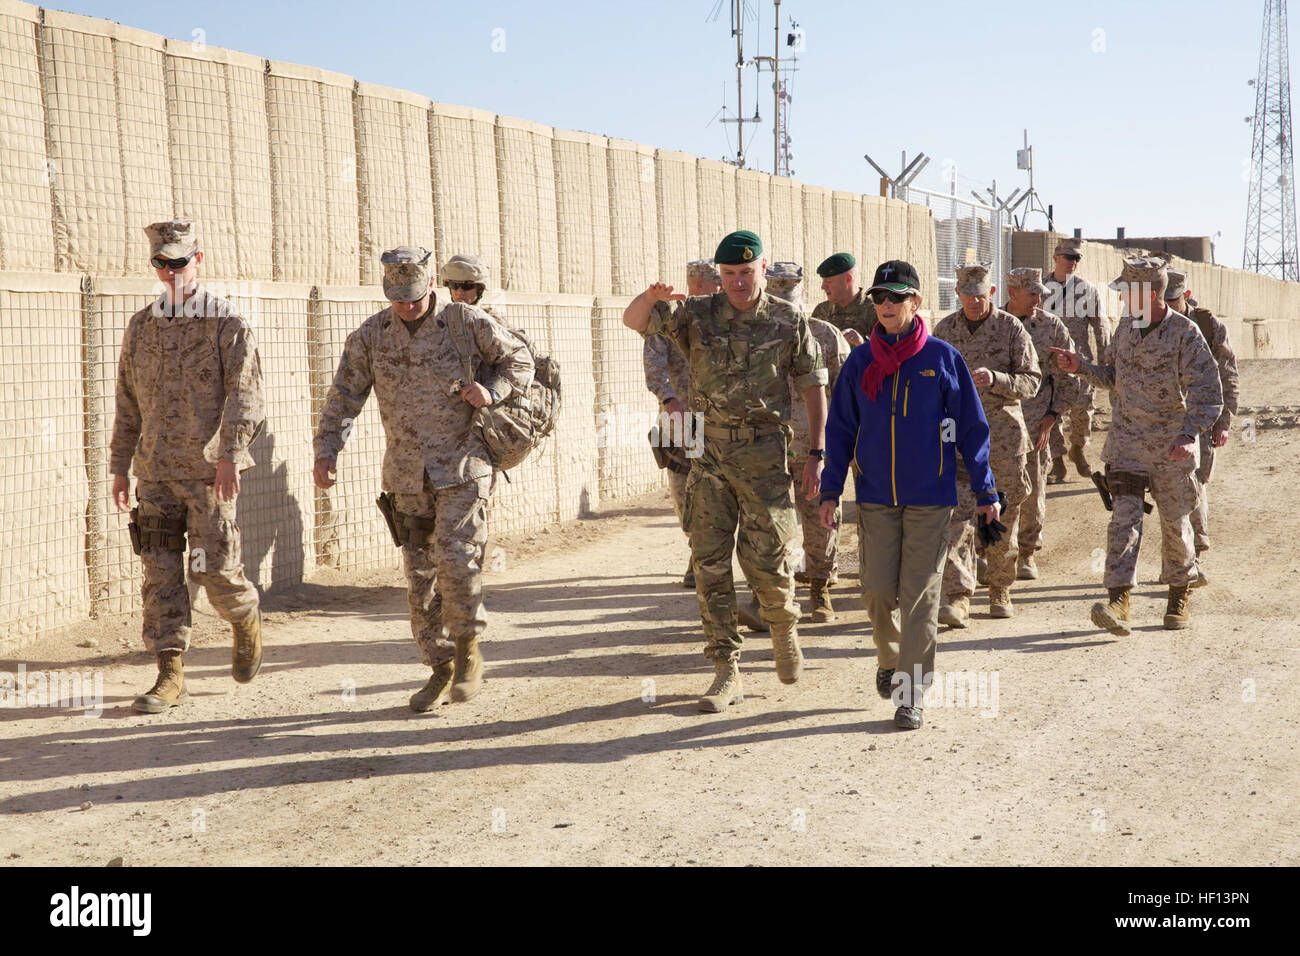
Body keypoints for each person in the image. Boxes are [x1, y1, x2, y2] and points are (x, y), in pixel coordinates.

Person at [313, 246, 534, 711]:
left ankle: (470, 650)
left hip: (463, 467)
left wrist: (492, 391)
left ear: (430, 283)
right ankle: (441, 666)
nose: (406, 306)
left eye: (413, 296)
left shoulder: (464, 322)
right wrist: (327, 450)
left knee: (457, 561)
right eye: (397, 298)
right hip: (406, 479)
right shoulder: (371, 336)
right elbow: (343, 398)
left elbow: (521, 361)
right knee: (420, 582)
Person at [622, 230, 827, 714]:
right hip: (708, 455)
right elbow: (635, 322)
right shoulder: (697, 314)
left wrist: (816, 453)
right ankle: (725, 668)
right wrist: (649, 298)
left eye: (746, 272)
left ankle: (783, 628)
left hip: (763, 458)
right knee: (709, 563)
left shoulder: (787, 320)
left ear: (762, 269)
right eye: (729, 274)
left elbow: (814, 388)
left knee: (769, 561)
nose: (737, 282)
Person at [819, 260, 1000, 730]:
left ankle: (912, 690)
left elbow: (972, 429)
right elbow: (840, 429)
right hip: (876, 495)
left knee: (919, 595)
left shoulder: (942, 358)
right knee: (877, 592)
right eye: (879, 297)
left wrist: (986, 491)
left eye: (896, 297)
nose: (885, 305)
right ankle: (889, 655)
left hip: (930, 497)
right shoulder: (860, 363)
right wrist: (830, 491)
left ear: (915, 302)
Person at [110, 220, 266, 714]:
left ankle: (244, 616)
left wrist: (230, 458)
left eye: (179, 262)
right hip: (154, 473)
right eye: (161, 262)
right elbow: (127, 401)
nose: (170, 271)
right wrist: (119, 466)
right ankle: (170, 673)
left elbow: (246, 398)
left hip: (207, 476)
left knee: (214, 571)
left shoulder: (226, 323)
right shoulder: (141, 326)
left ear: (198, 260)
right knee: (160, 574)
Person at [1050, 257, 1222, 634]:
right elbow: (1112, 376)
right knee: (1123, 521)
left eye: (1128, 292)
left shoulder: (1184, 333)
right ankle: (1119, 598)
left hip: (1169, 449)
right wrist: (1079, 367)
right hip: (1126, 444)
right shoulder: (1126, 328)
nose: (1123, 300)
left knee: (1175, 525)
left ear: (1149, 293)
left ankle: (1179, 592)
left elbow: (1209, 393)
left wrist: (1188, 434)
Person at [933, 265, 1040, 622]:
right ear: (958, 294)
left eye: (981, 295)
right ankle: (958, 594)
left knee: (1001, 517)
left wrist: (996, 379)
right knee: (957, 518)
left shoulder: (1011, 328)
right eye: (968, 295)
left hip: (1004, 440)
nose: (974, 301)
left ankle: (999, 587)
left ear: (991, 293)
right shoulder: (944, 331)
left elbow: (1032, 381)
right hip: (958, 440)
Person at [769, 261, 849, 622]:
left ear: (802, 293)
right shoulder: (752, 336)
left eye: (789, 298)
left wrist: (842, 445)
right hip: (765, 446)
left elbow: (846, 395)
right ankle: (772, 594)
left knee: (821, 518)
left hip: (813, 446)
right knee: (767, 523)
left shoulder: (826, 335)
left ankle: (820, 586)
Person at [643, 259, 721, 588]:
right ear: (699, 286)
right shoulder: (674, 316)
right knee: (682, 492)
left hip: (718, 419)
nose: (720, 290)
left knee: (716, 490)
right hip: (683, 420)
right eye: (715, 284)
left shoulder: (727, 316)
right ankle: (697, 551)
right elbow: (654, 363)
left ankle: (707, 558)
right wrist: (668, 400)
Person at [1001, 267, 1079, 580]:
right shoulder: (993, 325)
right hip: (994, 424)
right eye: (1031, 293)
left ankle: (1026, 553)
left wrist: (1053, 416)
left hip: (1035, 424)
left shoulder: (1052, 328)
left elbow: (1067, 379)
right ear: (1012, 293)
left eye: (1040, 294)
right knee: (993, 490)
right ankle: (990, 550)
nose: (1038, 299)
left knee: (1032, 489)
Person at [1163, 270, 1239, 582]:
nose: (1167, 305)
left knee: (1195, 482)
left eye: (1173, 300)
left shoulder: (1208, 326)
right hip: (1165, 420)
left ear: (1187, 294)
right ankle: (1184, 561)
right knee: (1172, 488)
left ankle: (1193, 554)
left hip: (1202, 419)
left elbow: (1228, 374)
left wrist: (1224, 421)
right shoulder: (1148, 324)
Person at [1042, 237, 1110, 482]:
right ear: (1056, 258)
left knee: (1083, 409)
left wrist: (1105, 358)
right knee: (1051, 412)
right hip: (1048, 361)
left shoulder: (1086, 289)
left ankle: (1078, 448)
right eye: (1068, 257)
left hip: (1080, 361)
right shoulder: (1041, 288)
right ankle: (1058, 461)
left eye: (1076, 258)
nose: (1072, 262)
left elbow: (1100, 326)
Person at [813, 252, 877, 348]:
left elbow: (884, 355)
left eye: (828, 281)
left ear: (847, 279)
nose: (823, 287)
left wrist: (862, 344)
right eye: (823, 281)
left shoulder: (874, 311)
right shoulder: (822, 310)